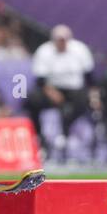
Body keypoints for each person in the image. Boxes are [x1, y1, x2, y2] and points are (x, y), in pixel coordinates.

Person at [24, 24, 94, 161]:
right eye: (59, 40)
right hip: (51, 88)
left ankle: (65, 133)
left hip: (75, 90)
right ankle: (39, 136)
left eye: (64, 39)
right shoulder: (44, 51)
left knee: (84, 101)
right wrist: (51, 92)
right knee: (32, 100)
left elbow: (89, 77)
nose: (62, 43)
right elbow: (40, 80)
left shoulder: (80, 50)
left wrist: (93, 94)